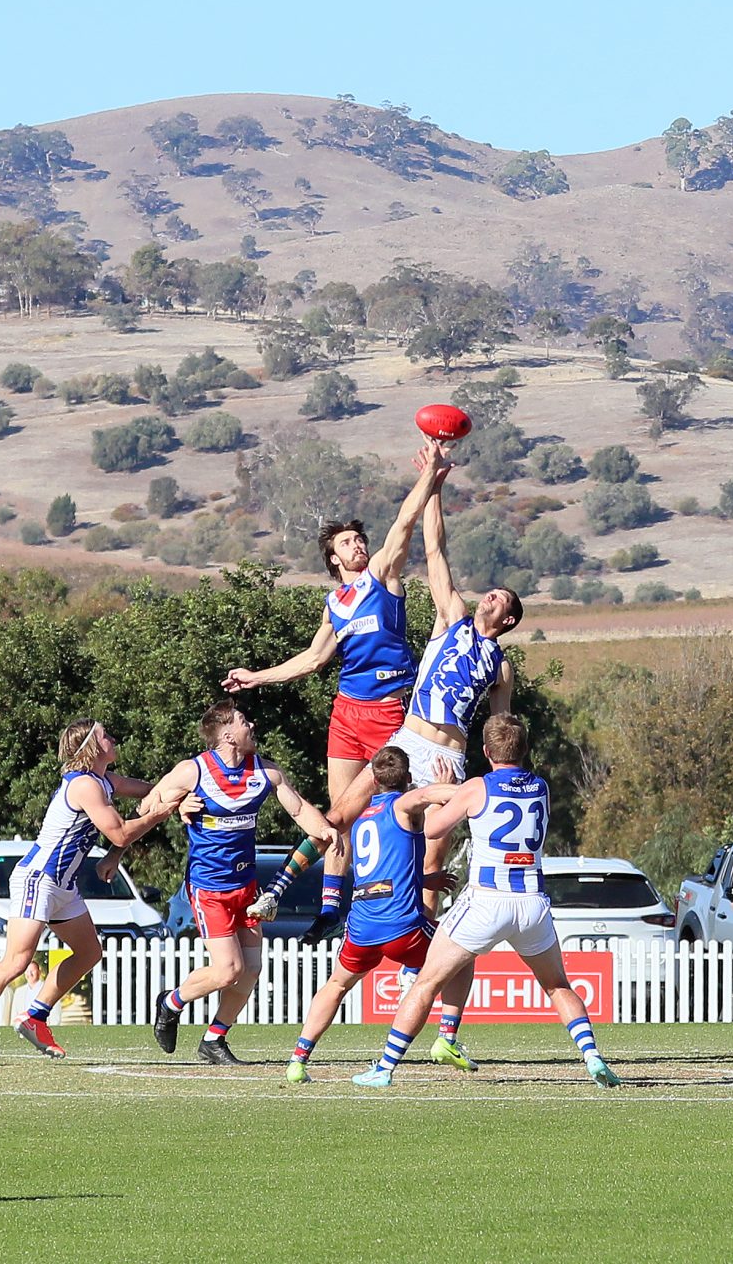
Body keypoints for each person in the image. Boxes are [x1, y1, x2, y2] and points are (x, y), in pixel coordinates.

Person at [228, 443, 450, 933]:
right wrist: (256, 676)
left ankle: (418, 902)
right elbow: (312, 660)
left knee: (402, 811)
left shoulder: (383, 579)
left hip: (390, 714)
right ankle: (330, 910)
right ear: (333, 558)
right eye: (348, 542)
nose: (358, 545)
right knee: (336, 818)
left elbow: (403, 526)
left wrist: (430, 477)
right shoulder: (336, 604)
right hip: (348, 714)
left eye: (358, 539)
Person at [352, 715, 620, 1090]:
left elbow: (432, 829)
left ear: (486, 752)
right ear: (524, 750)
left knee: (425, 982)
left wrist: (448, 788)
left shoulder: (477, 787)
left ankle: (384, 1068)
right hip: (532, 903)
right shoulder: (541, 786)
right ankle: (592, 1057)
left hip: (487, 900)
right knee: (558, 985)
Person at [0, 720, 181, 1065]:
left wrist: (182, 792)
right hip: (38, 878)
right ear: (91, 747)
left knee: (89, 952)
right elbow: (119, 834)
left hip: (63, 884)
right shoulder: (85, 785)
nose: (114, 738)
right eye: (106, 735)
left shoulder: (104, 781)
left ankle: (35, 1018)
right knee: (16, 960)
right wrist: (161, 812)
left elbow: (151, 792)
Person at [150, 701, 337, 1065]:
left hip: (247, 889)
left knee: (250, 970)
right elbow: (148, 804)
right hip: (209, 888)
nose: (250, 724)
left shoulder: (265, 772)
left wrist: (326, 829)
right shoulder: (194, 771)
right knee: (228, 970)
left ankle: (213, 1040)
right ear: (227, 734)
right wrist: (176, 806)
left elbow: (299, 810)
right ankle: (170, 1003)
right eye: (242, 720)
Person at [282, 747, 474, 1082]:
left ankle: (298, 1059)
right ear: (408, 778)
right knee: (463, 952)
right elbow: (429, 795)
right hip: (401, 927)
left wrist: (426, 880)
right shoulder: (403, 806)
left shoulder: (360, 821)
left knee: (336, 985)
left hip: (362, 928)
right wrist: (470, 791)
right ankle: (447, 1038)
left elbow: (384, 873)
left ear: (372, 780)